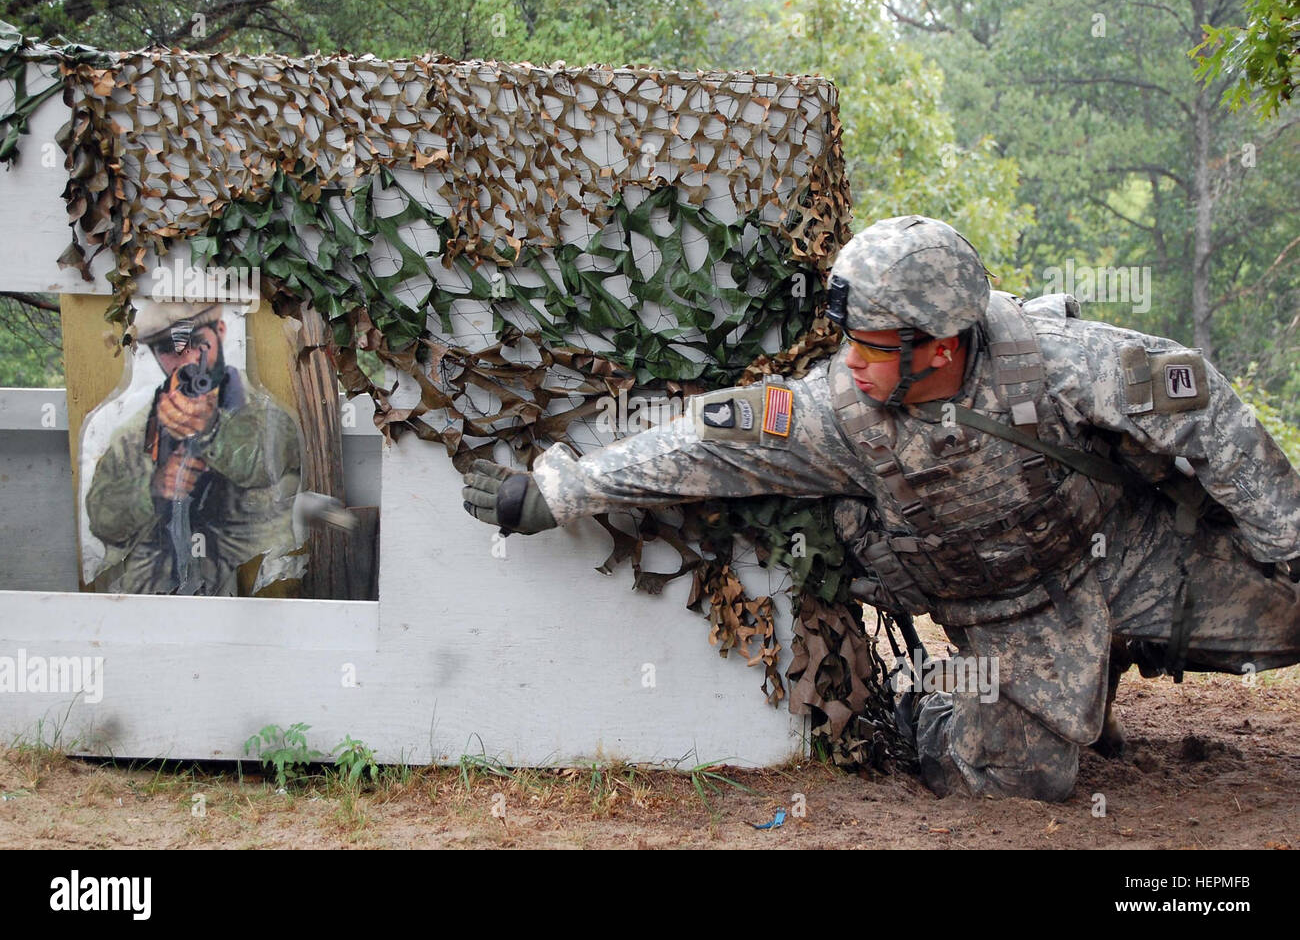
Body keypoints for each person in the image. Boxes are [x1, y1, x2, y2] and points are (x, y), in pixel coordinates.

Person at [461, 215, 1300, 802]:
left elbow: (1203, 408)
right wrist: (560, 489)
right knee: (1019, 785)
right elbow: (703, 445)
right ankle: (940, 708)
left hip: (1125, 551)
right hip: (1005, 612)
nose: (850, 363)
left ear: (941, 347)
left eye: (872, 347)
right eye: (848, 342)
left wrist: (1288, 537)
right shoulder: (837, 412)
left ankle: (1107, 650)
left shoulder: (1064, 363)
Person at [85, 302, 302, 596]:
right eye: (168, 349)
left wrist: (210, 431)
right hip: (151, 594)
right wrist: (153, 489)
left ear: (220, 332)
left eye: (196, 344)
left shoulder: (266, 414)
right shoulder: (133, 432)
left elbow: (268, 461)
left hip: (254, 591)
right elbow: (101, 518)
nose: (186, 360)